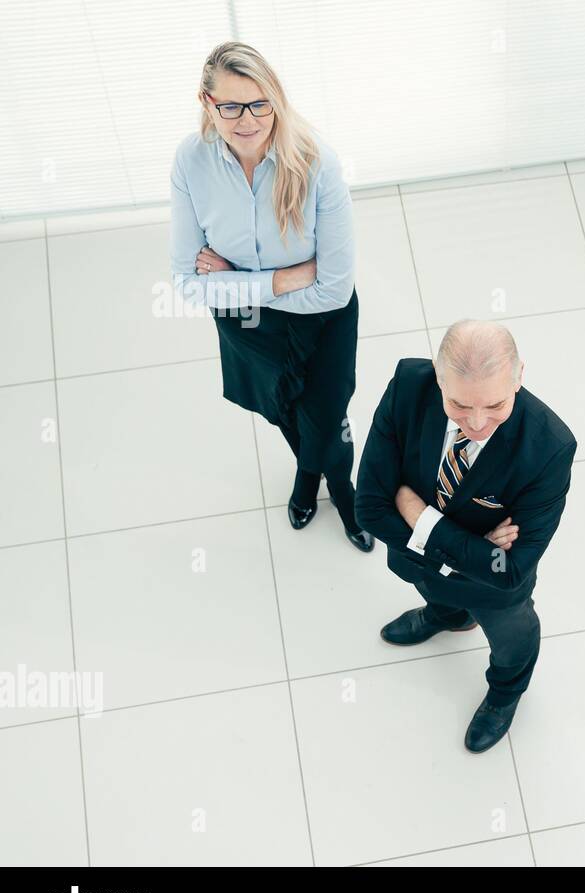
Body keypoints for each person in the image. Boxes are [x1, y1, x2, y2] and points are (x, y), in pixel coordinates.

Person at [170, 41, 371, 551]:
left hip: (321, 320)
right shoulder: (191, 163)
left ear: (276, 100)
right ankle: (309, 478)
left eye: (260, 103)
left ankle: (341, 492)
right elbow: (188, 283)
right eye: (231, 105)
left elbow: (333, 288)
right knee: (284, 411)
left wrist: (235, 280)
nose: (248, 119)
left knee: (327, 418)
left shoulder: (317, 162)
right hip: (250, 327)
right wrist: (281, 280)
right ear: (206, 102)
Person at [356, 320, 578, 754]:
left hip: (492, 592)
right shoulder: (407, 386)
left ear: (519, 378)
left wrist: (419, 516)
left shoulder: (549, 447)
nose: (477, 423)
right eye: (458, 403)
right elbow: (370, 507)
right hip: (427, 565)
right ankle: (448, 617)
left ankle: (504, 694)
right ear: (439, 378)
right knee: (437, 592)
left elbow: (509, 570)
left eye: (495, 404)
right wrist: (473, 547)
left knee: (513, 642)